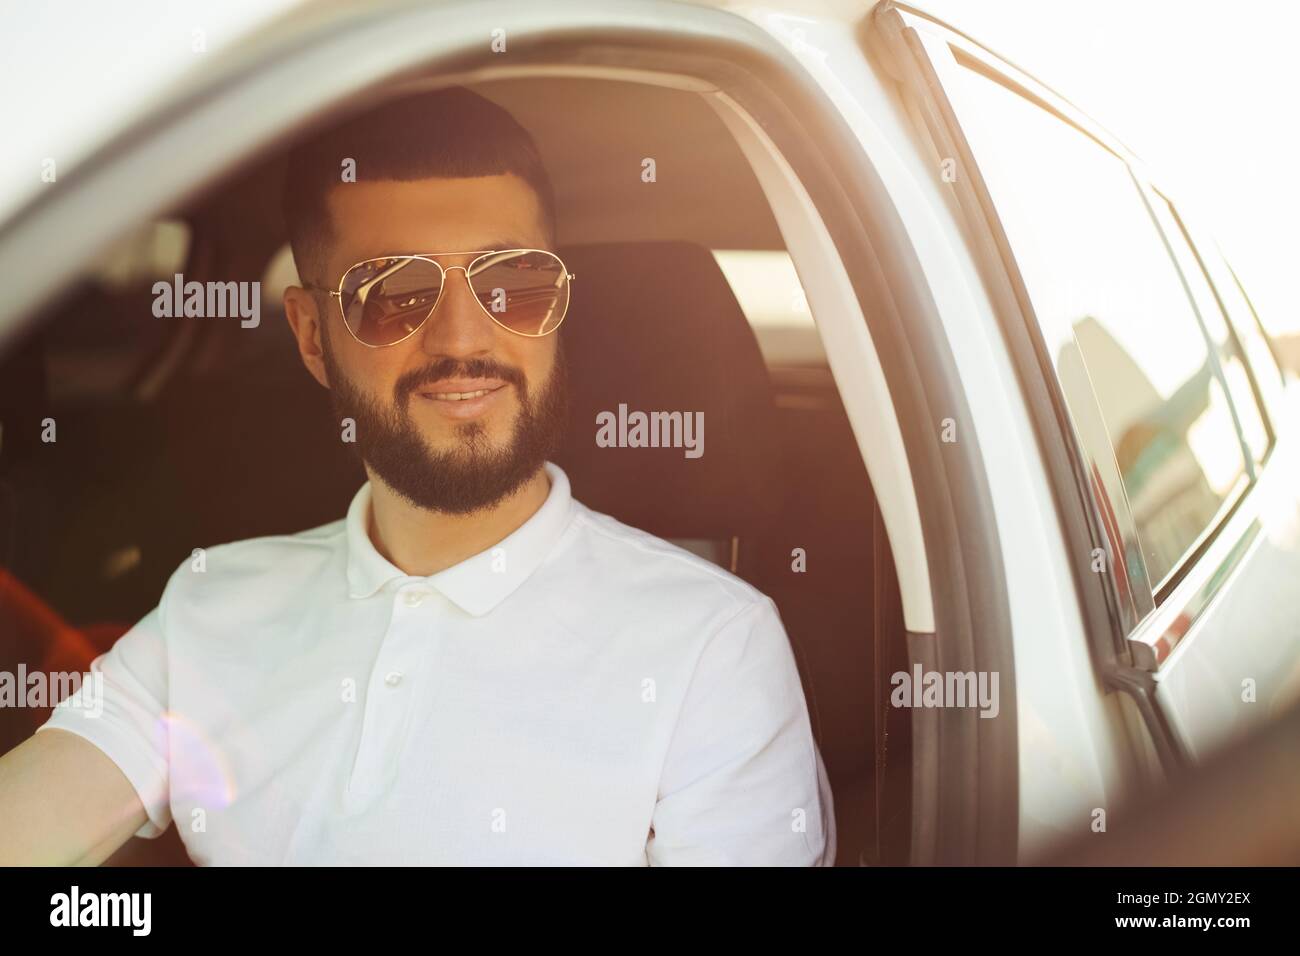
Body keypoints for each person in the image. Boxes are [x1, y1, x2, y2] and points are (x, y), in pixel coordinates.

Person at [0, 87, 834, 866]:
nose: (463, 339)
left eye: (513, 281)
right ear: (313, 336)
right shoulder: (212, 603)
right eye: (393, 292)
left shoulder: (711, 648)